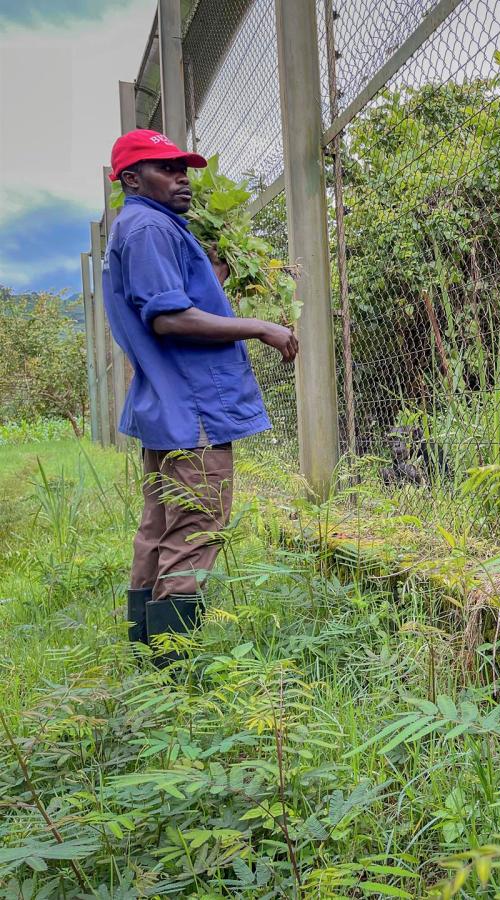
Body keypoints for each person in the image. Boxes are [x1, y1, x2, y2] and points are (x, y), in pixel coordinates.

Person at [103, 129, 298, 666]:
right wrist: (260, 327)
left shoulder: (144, 227)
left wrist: (212, 276)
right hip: (194, 410)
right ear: (131, 179)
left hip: (168, 405)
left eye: (183, 169)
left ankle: (148, 664)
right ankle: (174, 679)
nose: (181, 178)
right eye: (166, 169)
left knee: (160, 527)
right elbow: (167, 318)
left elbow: (165, 303)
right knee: (194, 530)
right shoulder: (147, 227)